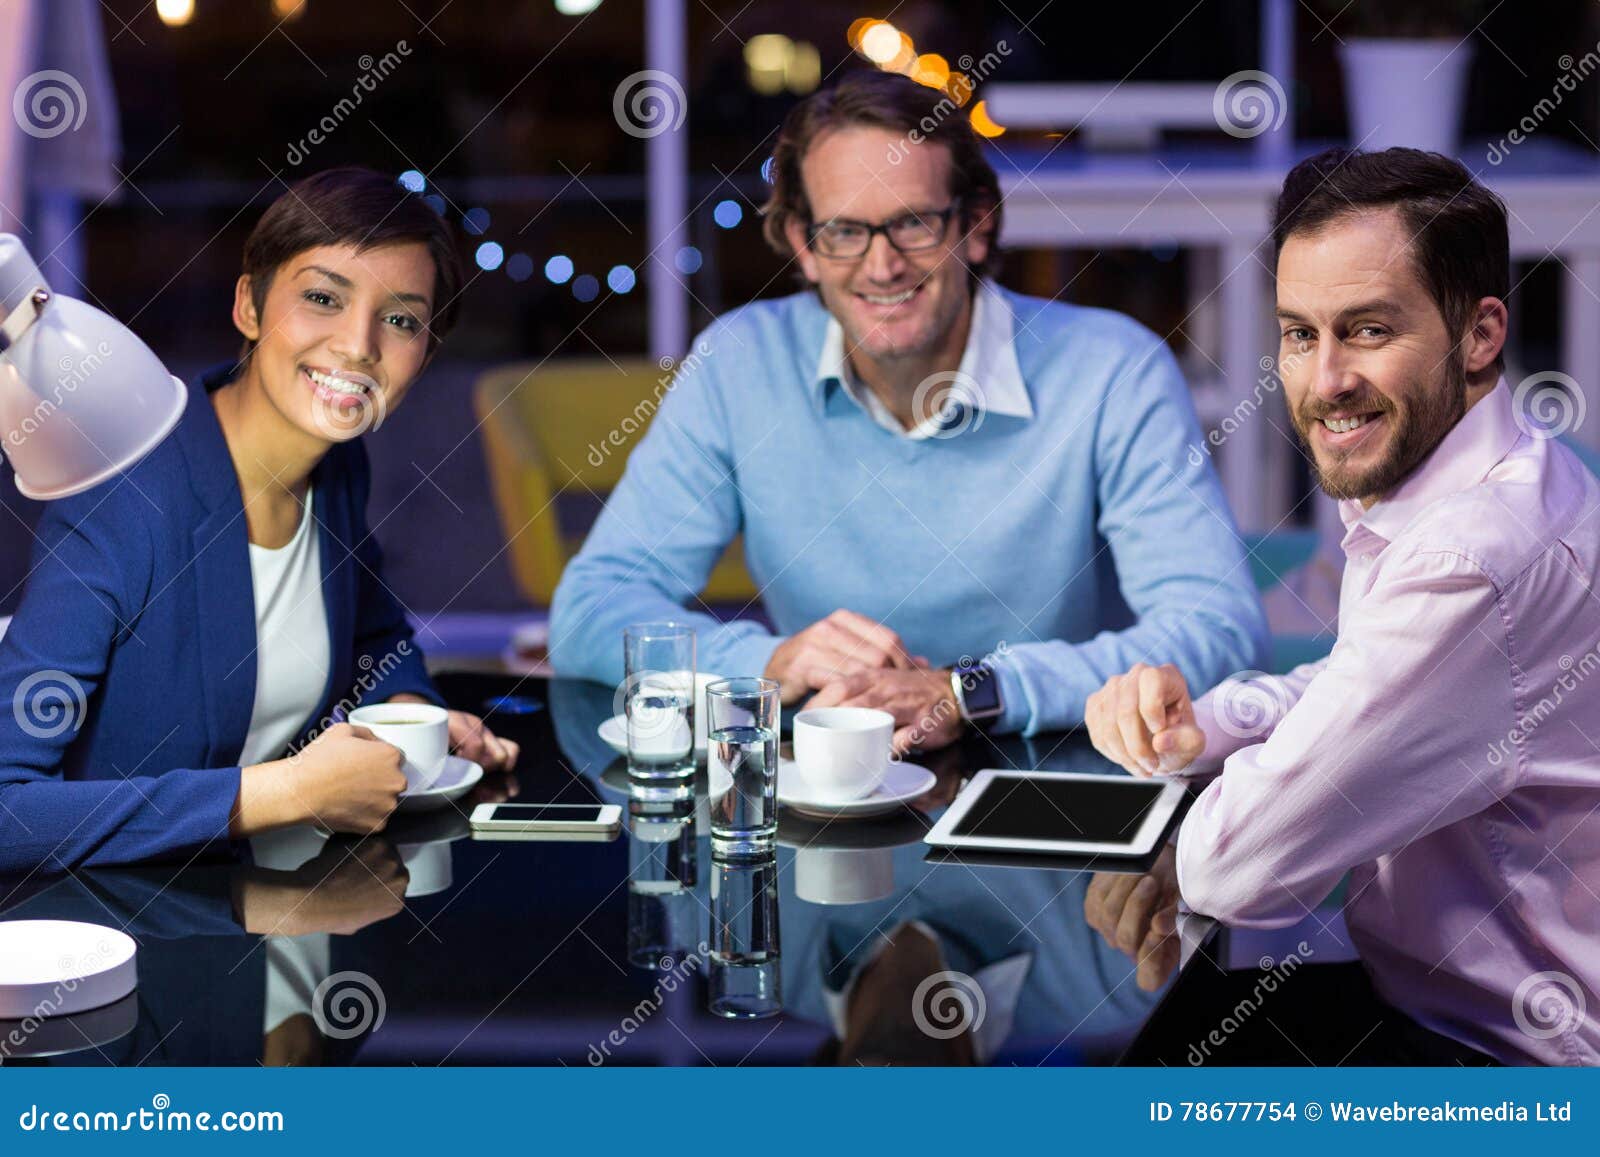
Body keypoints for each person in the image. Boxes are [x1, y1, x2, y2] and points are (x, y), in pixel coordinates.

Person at [550, 71, 1266, 749]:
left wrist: (969, 692)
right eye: (844, 231)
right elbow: (589, 610)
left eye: (914, 224)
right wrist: (771, 661)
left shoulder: (1114, 369)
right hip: (828, 796)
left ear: (976, 226)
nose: (882, 265)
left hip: (1044, 790)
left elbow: (1219, 630)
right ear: (803, 244)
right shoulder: (738, 363)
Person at [1084, 147, 1600, 1066]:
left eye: (1366, 330)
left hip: (1513, 1069)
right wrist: (1201, 727)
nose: (1323, 381)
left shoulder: (1471, 557)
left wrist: (1181, 838)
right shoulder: (1483, 472)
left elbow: (1232, 866)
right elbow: (1364, 681)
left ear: (1480, 335)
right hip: (1428, 1005)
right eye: (1297, 333)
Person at [0, 167, 518, 873]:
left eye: (400, 319)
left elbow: (377, 634)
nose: (359, 345)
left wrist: (416, 714)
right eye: (322, 297)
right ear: (249, 304)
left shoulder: (335, 469)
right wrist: (287, 791)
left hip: (292, 920)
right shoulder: (124, 500)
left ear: (423, 353)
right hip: (150, 946)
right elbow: (8, 808)